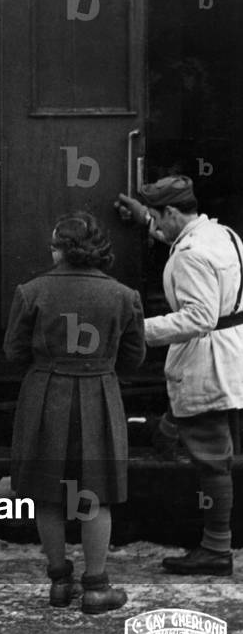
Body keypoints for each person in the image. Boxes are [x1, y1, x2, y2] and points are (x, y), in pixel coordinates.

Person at [4, 212, 145, 615]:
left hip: (45, 396)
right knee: (94, 494)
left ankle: (59, 583)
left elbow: (13, 352)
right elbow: (134, 358)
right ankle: (97, 587)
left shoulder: (31, 291)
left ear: (60, 249)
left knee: (48, 494)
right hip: (99, 395)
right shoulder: (123, 296)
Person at [116, 176, 243, 576]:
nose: (156, 223)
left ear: (171, 212)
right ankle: (167, 432)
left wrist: (136, 331)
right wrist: (145, 222)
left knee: (210, 457)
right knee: (214, 448)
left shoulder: (189, 254)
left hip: (207, 361)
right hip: (231, 352)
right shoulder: (222, 234)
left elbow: (199, 317)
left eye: (157, 215)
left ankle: (216, 549)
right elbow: (183, 246)